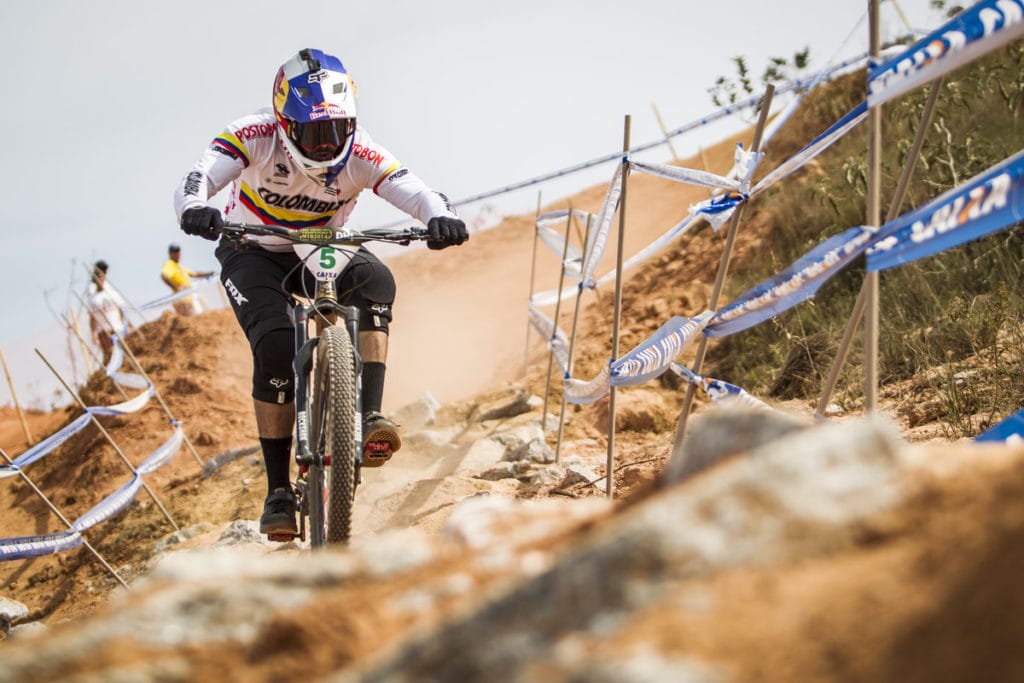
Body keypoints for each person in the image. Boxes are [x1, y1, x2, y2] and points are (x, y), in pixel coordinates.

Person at [173, 48, 469, 538]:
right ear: (285, 122)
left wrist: (441, 216)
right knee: (273, 345)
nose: (326, 142)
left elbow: (413, 188)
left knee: (377, 283)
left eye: (335, 129)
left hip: (321, 248)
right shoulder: (254, 133)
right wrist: (194, 206)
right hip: (254, 249)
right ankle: (278, 491)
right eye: (313, 131)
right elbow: (199, 174)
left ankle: (369, 415)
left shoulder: (362, 151)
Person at [86, 260, 128, 363]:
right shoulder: (92, 296)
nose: (100, 278)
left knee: (123, 354)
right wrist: (93, 334)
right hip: (103, 331)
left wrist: (124, 325)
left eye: (102, 275)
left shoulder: (111, 291)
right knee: (109, 356)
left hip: (117, 328)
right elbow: (92, 317)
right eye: (98, 276)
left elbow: (121, 309)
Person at [160, 243, 214, 316]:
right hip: (183, 300)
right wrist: (176, 288)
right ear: (170, 254)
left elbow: (194, 274)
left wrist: (209, 273)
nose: (177, 254)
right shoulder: (170, 264)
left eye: (178, 252)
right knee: (194, 318)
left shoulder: (179, 266)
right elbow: (164, 276)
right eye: (175, 252)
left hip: (190, 298)